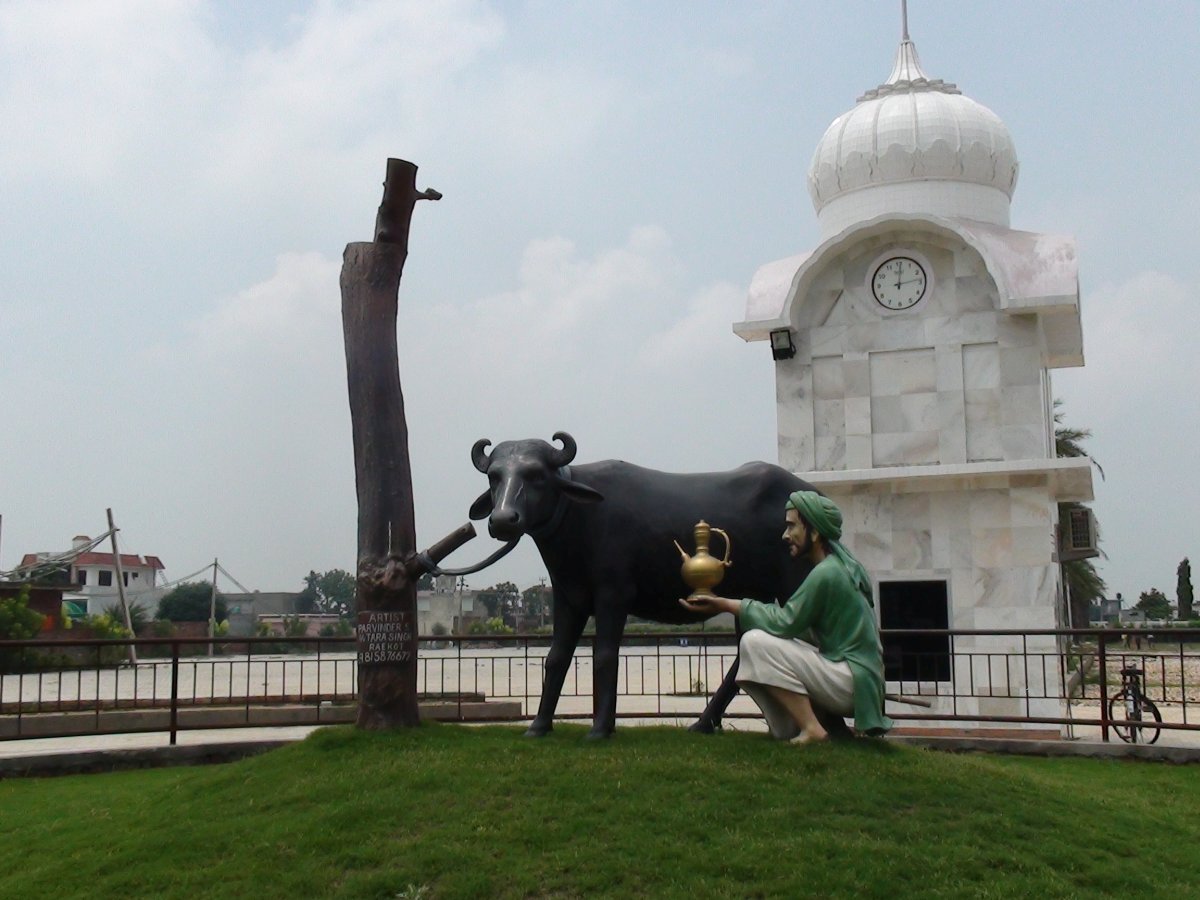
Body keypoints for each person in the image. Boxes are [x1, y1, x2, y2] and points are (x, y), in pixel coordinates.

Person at [680, 491, 892, 743]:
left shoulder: (827, 573)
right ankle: (803, 725)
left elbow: (784, 621)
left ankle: (812, 728)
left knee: (754, 643)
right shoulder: (839, 567)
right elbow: (797, 628)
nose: (785, 535)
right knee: (768, 641)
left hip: (851, 682)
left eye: (791, 526)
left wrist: (726, 604)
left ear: (814, 532)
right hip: (858, 679)